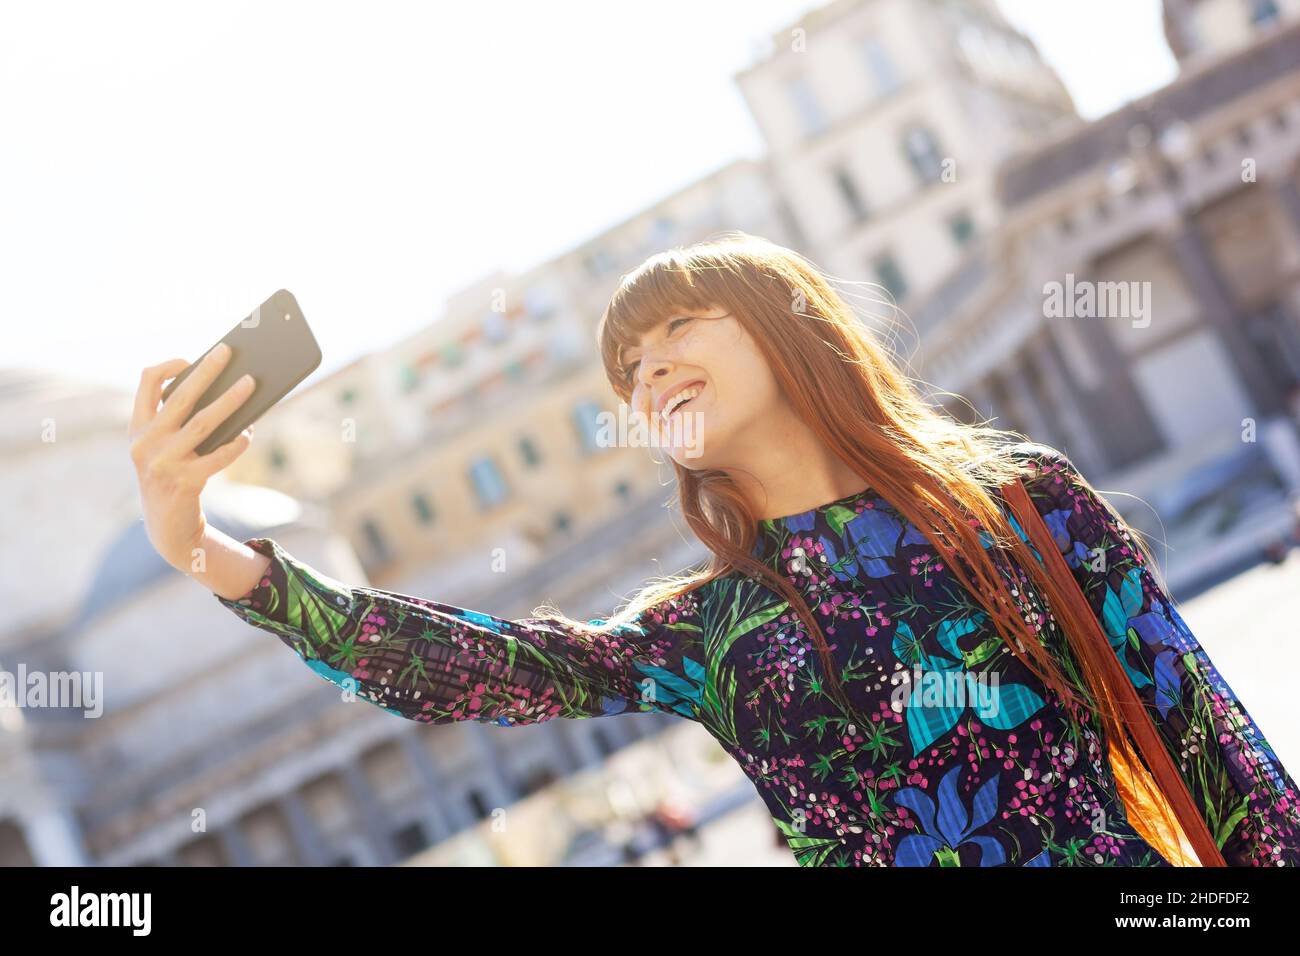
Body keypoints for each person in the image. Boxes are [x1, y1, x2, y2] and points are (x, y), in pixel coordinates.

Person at [129, 232, 1300, 867]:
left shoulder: (1024, 501)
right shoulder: (705, 629)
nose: (649, 370)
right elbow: (476, 665)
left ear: (792, 326)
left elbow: (1205, 738)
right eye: (628, 368)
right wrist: (207, 552)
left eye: (678, 327)